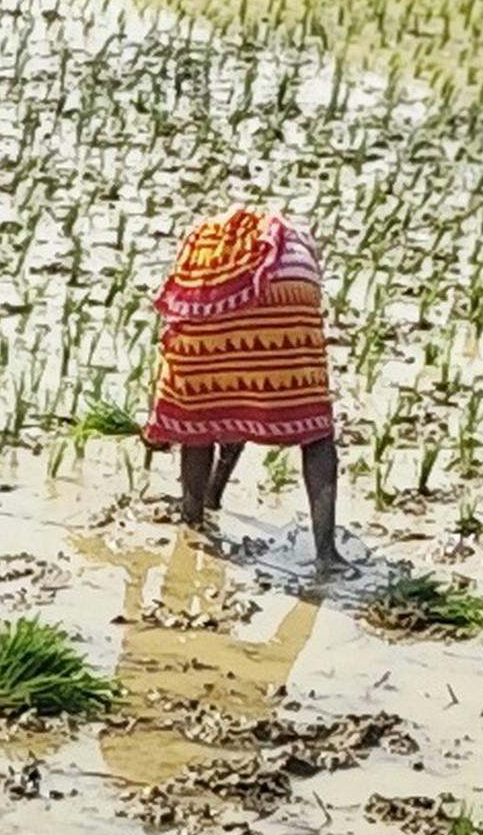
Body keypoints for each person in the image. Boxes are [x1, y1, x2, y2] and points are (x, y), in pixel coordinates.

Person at [143, 202, 341, 570]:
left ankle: (192, 519)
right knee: (315, 432)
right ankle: (327, 554)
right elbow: (244, 412)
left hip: (214, 301)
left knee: (202, 417)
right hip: (293, 290)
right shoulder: (296, 239)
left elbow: (228, 418)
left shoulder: (205, 247)